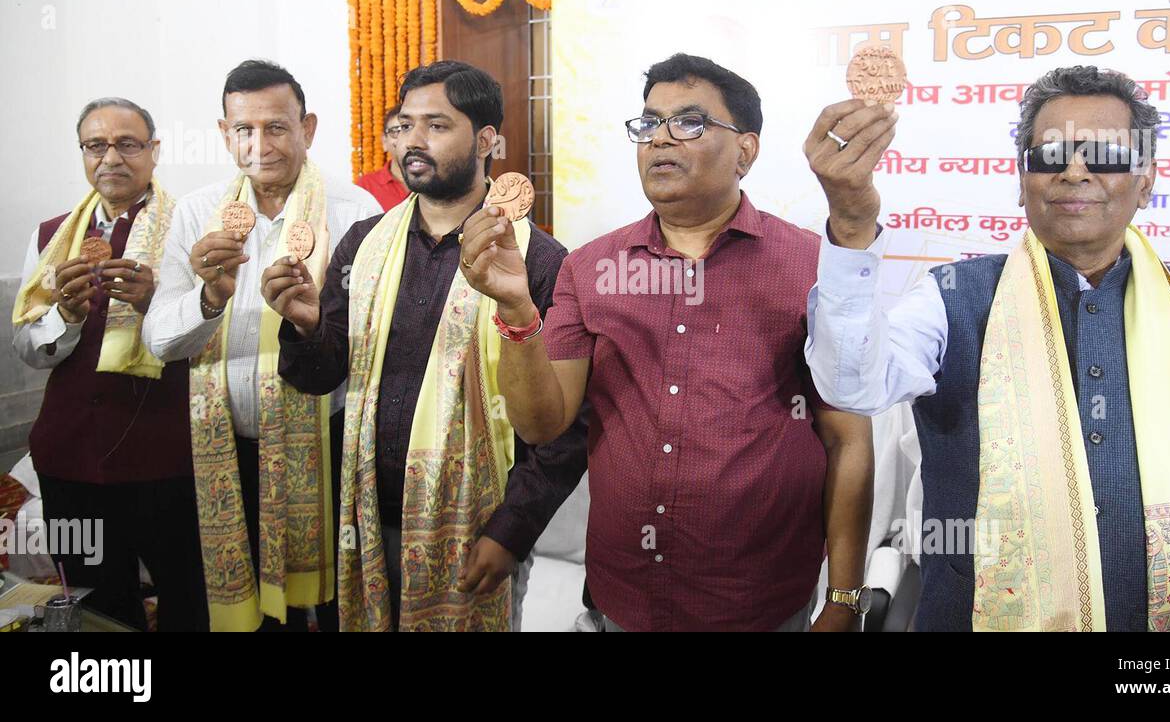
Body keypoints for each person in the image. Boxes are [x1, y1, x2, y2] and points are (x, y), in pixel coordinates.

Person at [804, 64, 1170, 631]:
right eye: (1049, 155)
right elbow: (851, 385)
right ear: (1021, 180)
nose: (1075, 171)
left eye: (1105, 155)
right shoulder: (952, 298)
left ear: (1147, 179)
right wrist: (851, 223)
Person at [460, 53, 875, 631]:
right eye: (648, 123)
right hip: (623, 597)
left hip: (760, 603)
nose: (659, 139)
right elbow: (540, 424)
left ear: (746, 151)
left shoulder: (810, 266)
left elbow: (847, 439)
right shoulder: (592, 266)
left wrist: (845, 597)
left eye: (689, 122)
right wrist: (516, 308)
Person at [267, 60, 586, 631]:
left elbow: (562, 428)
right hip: (367, 513)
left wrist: (511, 532)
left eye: (436, 126)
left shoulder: (539, 261)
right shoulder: (365, 245)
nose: (412, 141)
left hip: (477, 523)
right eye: (403, 125)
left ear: (487, 140)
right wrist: (307, 326)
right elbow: (321, 376)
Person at [143, 60, 382, 630]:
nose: (260, 145)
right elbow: (158, 341)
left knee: (323, 604)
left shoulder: (356, 214)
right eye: (244, 130)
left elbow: (371, 344)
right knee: (235, 604)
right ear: (225, 133)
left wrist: (310, 323)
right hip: (223, 443)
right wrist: (209, 300)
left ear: (308, 128)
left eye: (276, 127)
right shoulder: (198, 214)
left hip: (322, 442)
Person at [12, 97, 206, 630]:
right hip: (69, 457)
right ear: (82, 153)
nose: (111, 158)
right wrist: (67, 317)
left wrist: (155, 304)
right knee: (97, 604)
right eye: (96, 145)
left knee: (189, 595)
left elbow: (209, 336)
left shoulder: (190, 225)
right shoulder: (52, 235)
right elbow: (28, 350)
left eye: (127, 144)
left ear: (154, 151)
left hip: (167, 456)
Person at [355, 106, 411, 211]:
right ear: (384, 141)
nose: (402, 138)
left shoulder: (434, 180)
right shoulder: (367, 185)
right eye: (395, 131)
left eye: (407, 128)